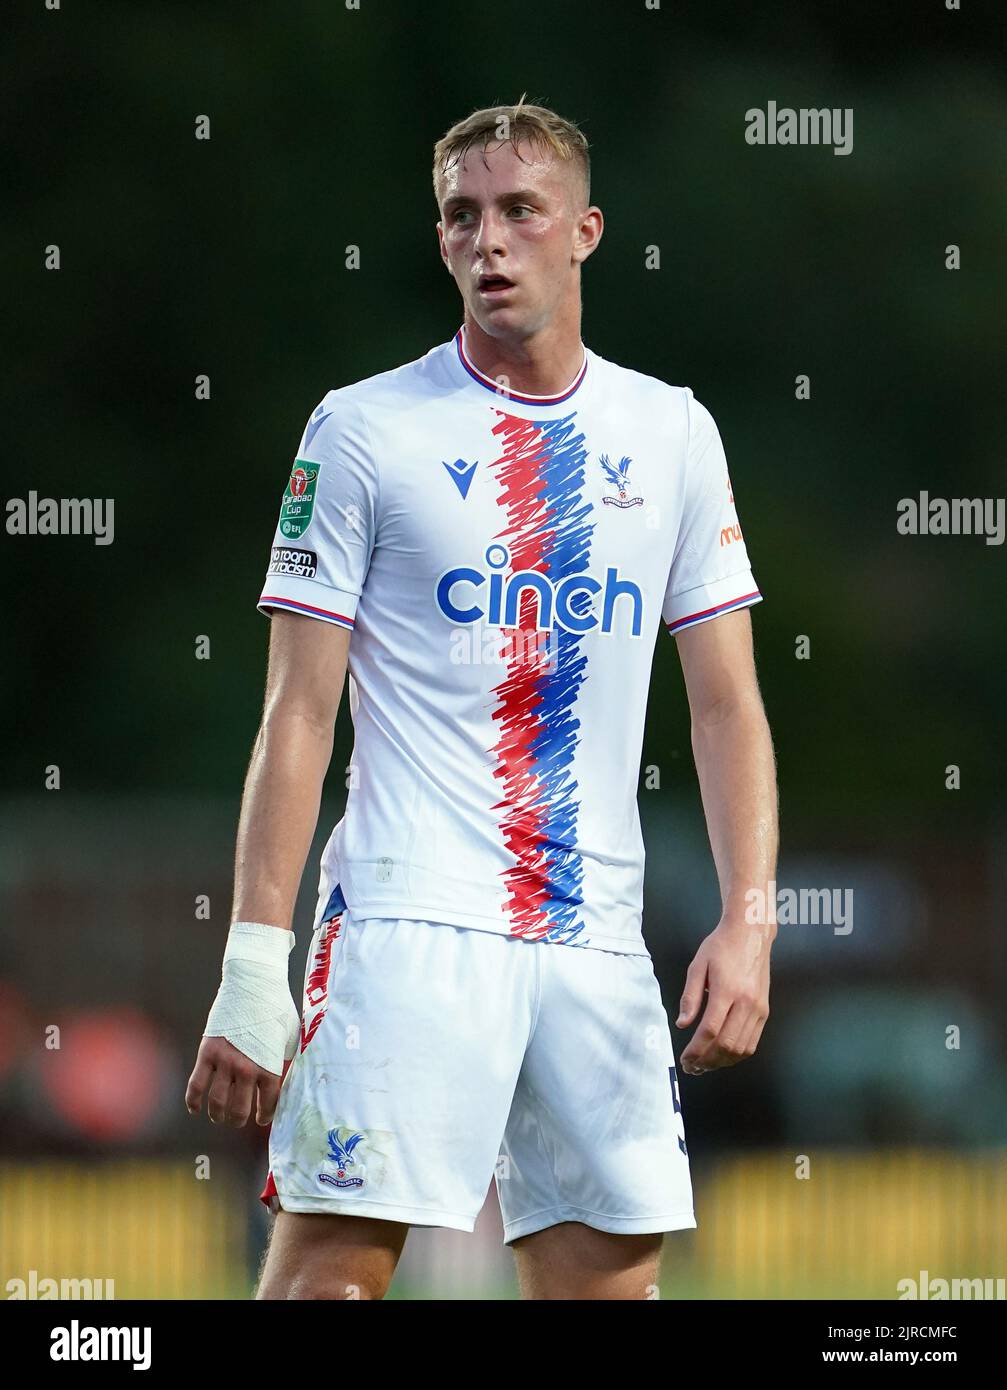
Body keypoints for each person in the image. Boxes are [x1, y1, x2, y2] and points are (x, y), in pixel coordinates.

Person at [185, 97, 779, 1301]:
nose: (488, 242)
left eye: (519, 211)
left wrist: (747, 919)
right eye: (461, 217)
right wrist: (255, 954)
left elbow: (724, 704)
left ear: (586, 232)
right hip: (409, 921)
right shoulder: (360, 430)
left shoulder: (670, 433)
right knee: (327, 1285)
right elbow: (297, 711)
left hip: (595, 934)